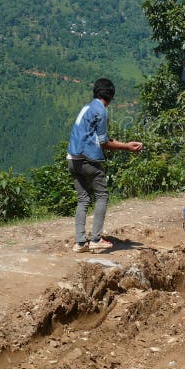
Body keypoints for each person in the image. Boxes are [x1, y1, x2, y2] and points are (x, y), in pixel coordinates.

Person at [67, 78, 143, 253]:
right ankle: (96, 239)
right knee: (102, 196)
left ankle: (80, 243)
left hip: (72, 158)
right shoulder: (101, 111)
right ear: (111, 96)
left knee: (83, 199)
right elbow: (103, 142)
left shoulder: (86, 107)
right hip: (88, 160)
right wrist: (127, 146)